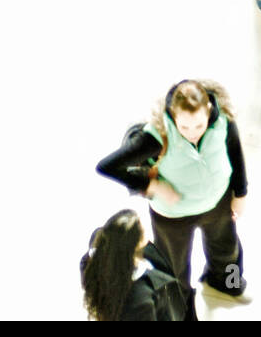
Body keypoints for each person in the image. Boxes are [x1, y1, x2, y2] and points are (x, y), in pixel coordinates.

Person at [96, 79, 250, 315]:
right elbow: (107, 166)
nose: (192, 134)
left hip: (217, 204)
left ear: (208, 110)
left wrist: (240, 194)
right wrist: (152, 185)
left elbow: (236, 156)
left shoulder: (223, 123)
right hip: (172, 216)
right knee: (174, 271)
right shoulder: (158, 136)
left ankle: (229, 286)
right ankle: (183, 314)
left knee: (227, 253)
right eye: (184, 127)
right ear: (172, 115)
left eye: (199, 125)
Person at [79, 209, 190, 321]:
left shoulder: (93, 259)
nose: (146, 228)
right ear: (135, 244)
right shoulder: (143, 297)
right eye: (142, 229)